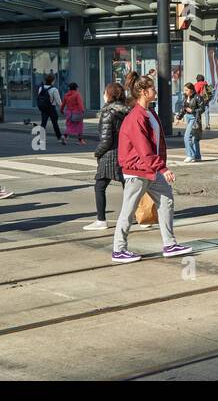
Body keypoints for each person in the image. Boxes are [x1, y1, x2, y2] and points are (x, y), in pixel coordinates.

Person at [111, 78, 192, 264]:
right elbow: (143, 148)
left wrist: (158, 165)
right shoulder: (136, 117)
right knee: (129, 210)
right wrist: (162, 168)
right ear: (143, 92)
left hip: (150, 168)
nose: (155, 91)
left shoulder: (149, 112)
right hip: (137, 170)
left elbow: (155, 144)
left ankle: (170, 244)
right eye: (152, 88)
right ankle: (119, 249)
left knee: (166, 200)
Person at [88, 82, 130, 230]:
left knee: (100, 185)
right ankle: (132, 216)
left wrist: (97, 152)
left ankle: (101, 220)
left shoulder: (107, 112)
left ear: (109, 95)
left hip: (110, 154)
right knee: (129, 186)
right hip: (125, 152)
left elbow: (106, 140)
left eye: (105, 92)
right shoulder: (127, 112)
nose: (104, 95)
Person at [179, 82, 206, 162]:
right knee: (194, 138)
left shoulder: (198, 97)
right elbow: (184, 108)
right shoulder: (186, 97)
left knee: (187, 137)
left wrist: (193, 110)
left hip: (194, 118)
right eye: (184, 90)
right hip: (188, 117)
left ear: (191, 90)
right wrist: (179, 116)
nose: (185, 92)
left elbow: (202, 109)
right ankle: (197, 156)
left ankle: (190, 155)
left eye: (186, 90)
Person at [36, 73, 64, 144]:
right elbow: (58, 101)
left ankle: (41, 139)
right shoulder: (54, 89)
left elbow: (39, 97)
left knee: (43, 123)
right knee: (55, 123)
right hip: (51, 108)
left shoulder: (41, 88)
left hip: (43, 108)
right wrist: (62, 107)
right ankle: (59, 138)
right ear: (53, 81)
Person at [62, 82, 87, 146]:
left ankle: (64, 137)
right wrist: (82, 110)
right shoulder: (77, 94)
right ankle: (80, 140)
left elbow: (63, 104)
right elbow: (80, 104)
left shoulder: (66, 95)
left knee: (69, 126)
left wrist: (61, 110)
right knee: (79, 126)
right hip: (77, 113)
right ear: (76, 88)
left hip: (69, 113)